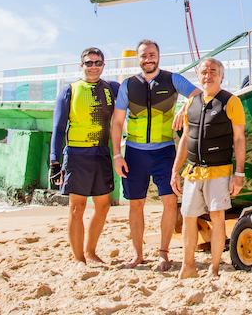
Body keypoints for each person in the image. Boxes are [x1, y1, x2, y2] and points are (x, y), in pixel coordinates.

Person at [111, 40, 202, 271]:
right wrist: (117, 155)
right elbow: (117, 122)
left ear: (158, 57)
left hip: (164, 152)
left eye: (151, 55)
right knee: (135, 204)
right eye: (143, 56)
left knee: (170, 202)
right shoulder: (128, 85)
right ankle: (138, 254)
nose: (147, 59)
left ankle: (163, 253)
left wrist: (184, 106)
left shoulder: (173, 80)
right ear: (138, 58)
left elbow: (199, 95)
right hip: (134, 153)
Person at [171, 57, 245, 278]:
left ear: (221, 76)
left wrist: (239, 174)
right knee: (189, 217)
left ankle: (214, 267)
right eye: (204, 72)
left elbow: (239, 138)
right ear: (199, 76)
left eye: (213, 71)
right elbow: (185, 139)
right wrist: (175, 170)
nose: (208, 75)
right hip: (193, 171)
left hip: (219, 170)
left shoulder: (231, 102)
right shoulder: (191, 104)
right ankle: (188, 265)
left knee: (217, 217)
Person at [49, 48, 119, 267]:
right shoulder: (69, 91)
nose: (94, 66)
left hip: (101, 153)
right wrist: (54, 162)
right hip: (77, 155)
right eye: (89, 63)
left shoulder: (112, 88)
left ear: (103, 65)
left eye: (98, 62)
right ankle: (78, 257)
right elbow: (59, 128)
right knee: (77, 207)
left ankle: (90, 252)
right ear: (82, 66)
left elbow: (138, 94)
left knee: (104, 205)